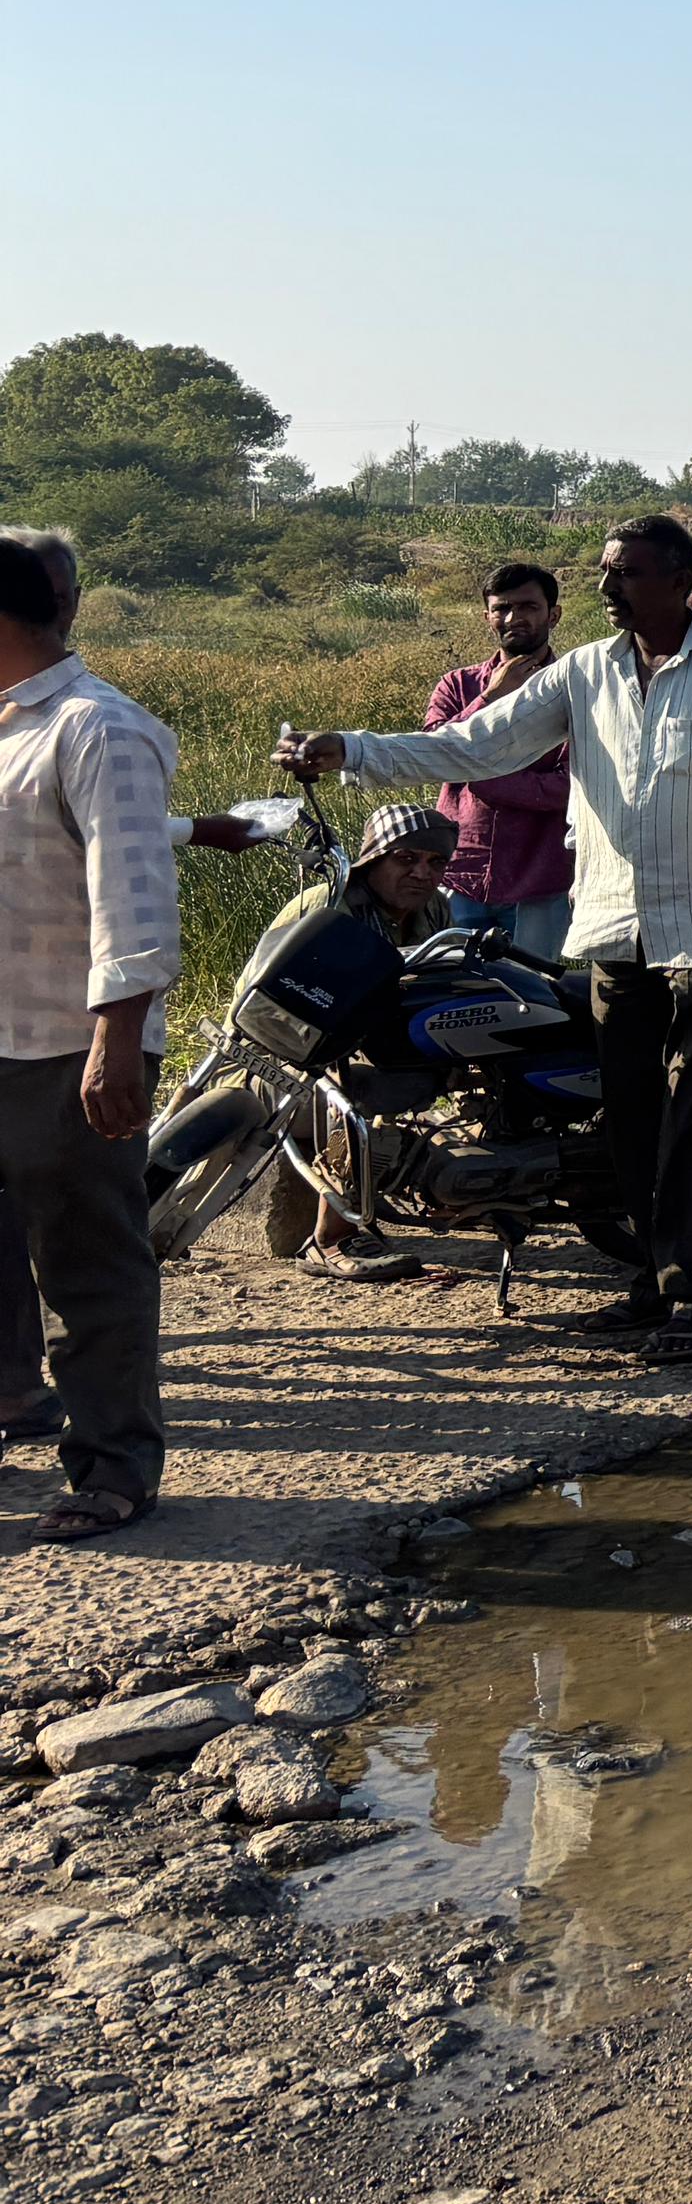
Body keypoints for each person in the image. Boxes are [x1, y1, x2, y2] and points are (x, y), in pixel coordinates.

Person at [281, 512, 692, 1366]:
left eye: (627, 573)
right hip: (612, 927)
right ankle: (653, 1284)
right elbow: (478, 743)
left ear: (678, 580)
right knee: (633, 1118)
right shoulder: (588, 674)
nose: (606, 588)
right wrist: (353, 751)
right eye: (604, 571)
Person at [0, 526, 176, 1542]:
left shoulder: (99, 728)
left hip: (69, 1044)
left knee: (89, 1266)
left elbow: (135, 905)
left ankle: (113, 1466)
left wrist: (117, 1043)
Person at [235, 801, 462, 1281]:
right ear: (373, 858)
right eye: (406, 859)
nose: (423, 873)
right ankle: (332, 1239)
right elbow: (255, 999)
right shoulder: (326, 906)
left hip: (373, 1053)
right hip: (282, 1062)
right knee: (362, 1096)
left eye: (435, 862)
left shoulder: (436, 909)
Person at [428, 561, 577, 959]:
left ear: (553, 614)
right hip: (461, 872)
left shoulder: (578, 689)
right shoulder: (458, 685)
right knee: (454, 996)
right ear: (488, 616)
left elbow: (572, 785)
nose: (514, 618)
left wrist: (485, 780)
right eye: (502, 608)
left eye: (528, 606)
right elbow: (431, 752)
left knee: (530, 998)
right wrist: (490, 698)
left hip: (539, 880)